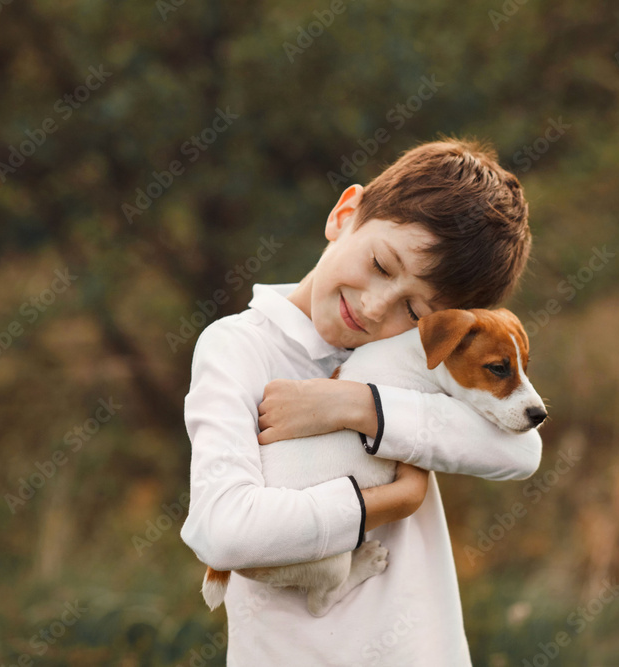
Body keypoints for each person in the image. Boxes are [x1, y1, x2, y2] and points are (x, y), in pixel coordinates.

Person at [180, 137, 543, 666]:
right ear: (344, 213)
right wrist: (388, 501)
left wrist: (357, 408)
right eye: (380, 263)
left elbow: (522, 452)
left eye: (416, 311)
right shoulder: (239, 347)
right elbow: (224, 531)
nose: (375, 309)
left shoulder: (420, 357)